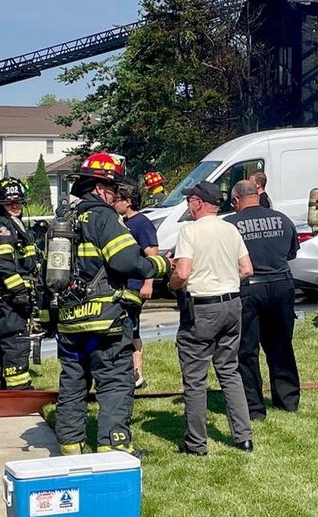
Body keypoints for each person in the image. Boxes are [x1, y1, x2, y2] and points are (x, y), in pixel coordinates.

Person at [55, 153, 170, 456]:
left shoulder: (63, 221)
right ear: (100, 187)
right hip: (104, 322)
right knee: (116, 381)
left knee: (73, 384)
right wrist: (159, 266)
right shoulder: (104, 217)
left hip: (69, 319)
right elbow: (125, 261)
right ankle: (115, 447)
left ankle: (70, 446)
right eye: (114, 188)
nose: (117, 195)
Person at [170, 181, 254, 455]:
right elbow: (247, 269)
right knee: (230, 371)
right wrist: (223, 277)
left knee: (195, 379)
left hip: (202, 308)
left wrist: (171, 284)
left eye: (188, 201)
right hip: (232, 303)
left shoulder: (189, 231)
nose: (187, 206)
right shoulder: (231, 229)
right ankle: (243, 437)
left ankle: (196, 444)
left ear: (197, 202)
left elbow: (182, 273)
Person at [225, 179, 301, 420]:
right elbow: (291, 253)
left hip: (249, 288)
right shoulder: (283, 219)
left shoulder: (231, 225)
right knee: (281, 345)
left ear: (236, 200)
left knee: (247, 349)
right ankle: (288, 400)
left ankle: (254, 408)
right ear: (257, 195)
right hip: (281, 285)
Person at [0, 178, 40, 390]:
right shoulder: (1, 228)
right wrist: (18, 290)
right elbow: (4, 264)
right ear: (1, 204)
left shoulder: (15, 223)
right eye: (9, 203)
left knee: (5, 339)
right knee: (16, 339)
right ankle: (19, 389)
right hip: (5, 293)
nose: (15, 206)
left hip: (7, 293)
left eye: (18, 202)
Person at [113, 184, 158, 389]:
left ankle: (137, 374)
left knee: (132, 330)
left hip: (135, 287)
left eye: (117, 199)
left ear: (128, 201)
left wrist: (148, 283)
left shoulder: (141, 223)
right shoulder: (122, 223)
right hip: (122, 286)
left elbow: (153, 255)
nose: (114, 203)